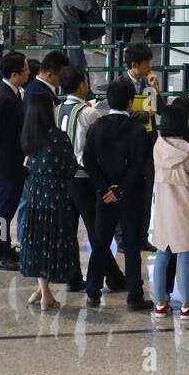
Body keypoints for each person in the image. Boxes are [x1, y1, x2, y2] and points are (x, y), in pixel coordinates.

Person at [82, 77, 152, 310]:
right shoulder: (137, 130)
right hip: (130, 195)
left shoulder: (96, 127)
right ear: (131, 102)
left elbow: (89, 161)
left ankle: (92, 292)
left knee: (100, 243)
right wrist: (121, 190)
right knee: (132, 246)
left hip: (104, 195)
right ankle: (134, 295)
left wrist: (104, 188)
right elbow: (139, 165)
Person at [56, 66, 122, 294]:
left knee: (69, 229)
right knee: (96, 230)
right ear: (82, 85)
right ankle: (113, 277)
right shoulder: (88, 113)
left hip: (62, 176)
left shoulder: (56, 110)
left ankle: (72, 276)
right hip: (83, 178)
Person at [17, 88, 80, 310]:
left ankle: (41, 289)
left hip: (35, 192)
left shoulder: (28, 134)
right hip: (56, 194)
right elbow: (71, 166)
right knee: (53, 242)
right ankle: (46, 296)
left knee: (38, 241)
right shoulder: (58, 137)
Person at [150, 103, 189, 319]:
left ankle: (160, 304)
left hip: (163, 207)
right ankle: (185, 306)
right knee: (185, 255)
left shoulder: (157, 147)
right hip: (186, 207)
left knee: (162, 254)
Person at [0, 51, 30, 271]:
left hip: (15, 163)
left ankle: (5, 246)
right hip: (7, 165)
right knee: (1, 211)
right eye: (26, 70)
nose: (28, 73)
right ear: (14, 74)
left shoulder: (12, 93)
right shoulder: (4, 99)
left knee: (8, 209)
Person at [51, 0, 100, 74]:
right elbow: (85, 6)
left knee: (61, 62)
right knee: (78, 63)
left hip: (57, 25)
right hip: (68, 28)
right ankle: (81, 88)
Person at [23, 50, 67, 115]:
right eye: (62, 75)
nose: (64, 78)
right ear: (50, 75)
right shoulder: (40, 94)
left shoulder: (34, 86)